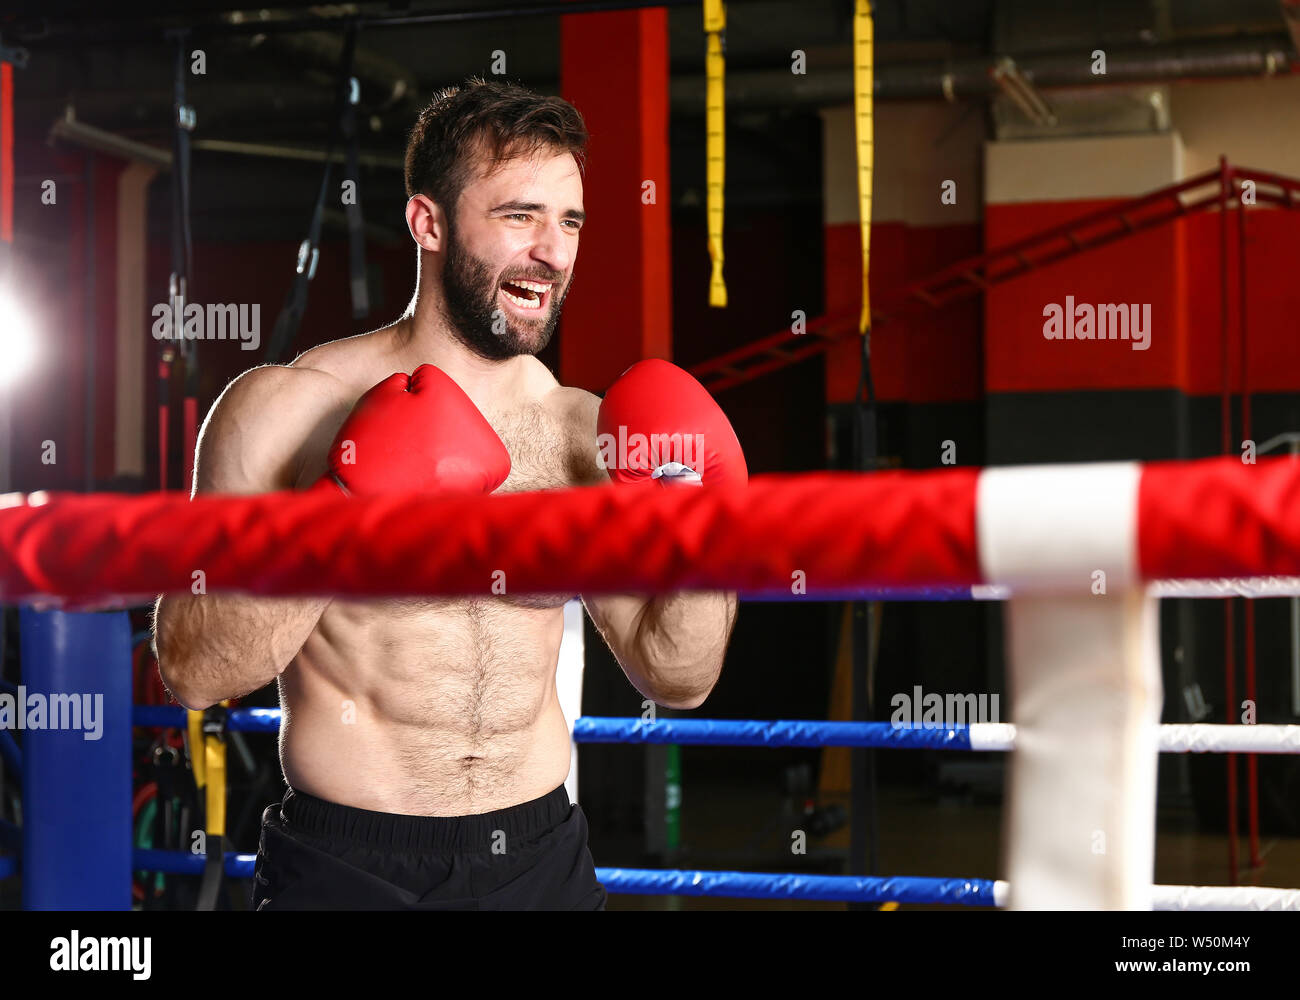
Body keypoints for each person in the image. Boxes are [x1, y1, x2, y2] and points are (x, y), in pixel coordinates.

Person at [152, 77, 747, 910]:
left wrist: (699, 526)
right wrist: (341, 510)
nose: (553, 250)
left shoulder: (585, 433)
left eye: (569, 221)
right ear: (428, 222)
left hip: (541, 859)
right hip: (350, 864)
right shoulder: (286, 410)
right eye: (519, 216)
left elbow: (677, 677)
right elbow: (192, 669)